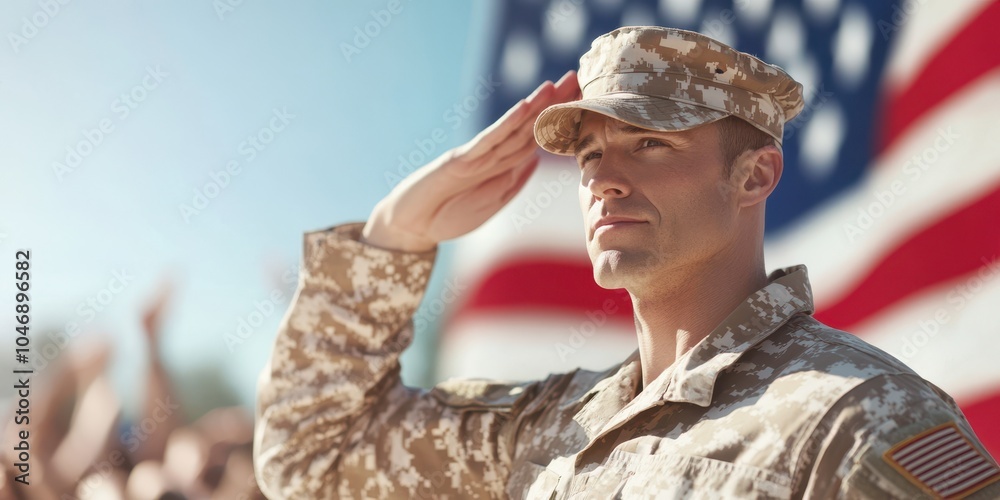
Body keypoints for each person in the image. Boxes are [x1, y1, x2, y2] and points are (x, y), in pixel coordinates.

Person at [253, 26, 1000, 499]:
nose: (603, 178)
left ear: (755, 175)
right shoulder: (549, 429)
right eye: (589, 153)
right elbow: (313, 456)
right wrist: (396, 233)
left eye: (651, 143)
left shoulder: (855, 419)